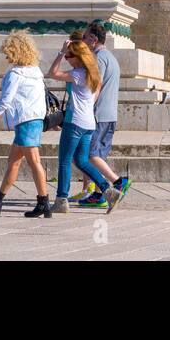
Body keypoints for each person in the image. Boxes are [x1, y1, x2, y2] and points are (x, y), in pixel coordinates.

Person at [0, 31, 51, 219]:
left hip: (25, 121)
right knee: (13, 162)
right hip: (34, 120)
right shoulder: (36, 72)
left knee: (34, 162)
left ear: (14, 51)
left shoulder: (15, 74)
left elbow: (5, 101)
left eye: (7, 52)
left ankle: (44, 202)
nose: (5, 55)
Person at [47, 32, 121, 213]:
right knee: (81, 160)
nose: (67, 58)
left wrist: (59, 52)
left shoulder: (78, 74)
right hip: (89, 123)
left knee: (64, 161)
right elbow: (96, 94)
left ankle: (61, 199)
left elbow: (52, 73)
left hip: (75, 122)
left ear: (78, 57)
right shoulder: (93, 73)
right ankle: (108, 190)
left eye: (69, 56)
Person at [73, 22, 131, 208]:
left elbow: (95, 85)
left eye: (85, 37)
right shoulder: (111, 57)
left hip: (98, 113)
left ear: (93, 39)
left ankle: (118, 182)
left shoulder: (98, 58)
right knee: (99, 155)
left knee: (89, 154)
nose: (82, 41)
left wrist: (88, 106)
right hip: (110, 113)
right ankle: (99, 194)